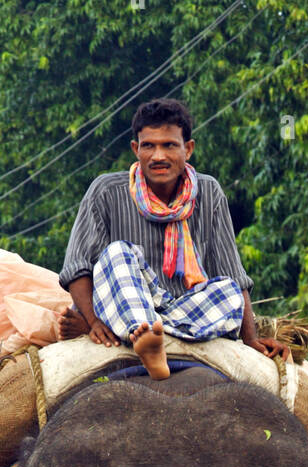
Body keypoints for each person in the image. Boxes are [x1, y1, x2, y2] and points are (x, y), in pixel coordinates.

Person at [57, 97, 289, 377]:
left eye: (169, 145)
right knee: (117, 253)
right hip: (126, 306)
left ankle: (152, 335)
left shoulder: (210, 192)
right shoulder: (106, 190)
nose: (158, 156)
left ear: (188, 149)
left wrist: (250, 339)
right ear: (136, 149)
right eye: (149, 146)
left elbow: (234, 276)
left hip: (185, 309)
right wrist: (94, 322)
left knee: (228, 292)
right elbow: (76, 267)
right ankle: (142, 337)